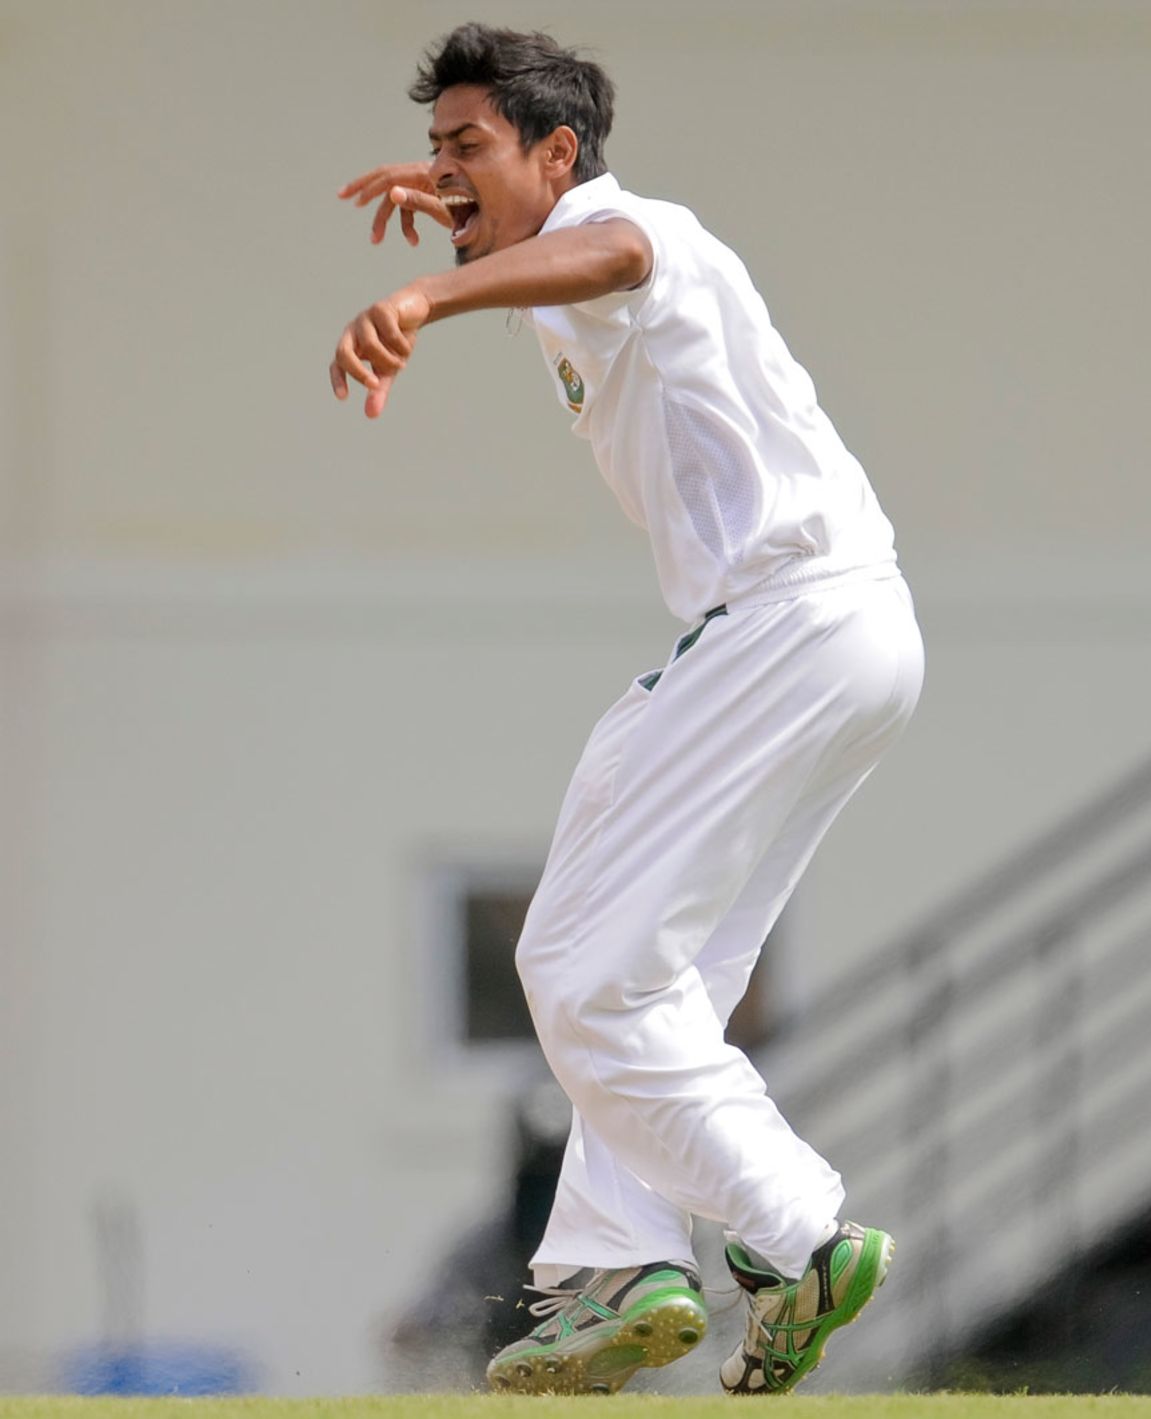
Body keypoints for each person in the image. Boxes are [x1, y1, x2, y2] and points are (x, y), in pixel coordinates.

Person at [330, 23, 924, 1397]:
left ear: (560, 153)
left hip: (786, 621)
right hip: (849, 631)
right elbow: (565, 259)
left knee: (570, 965)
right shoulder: (559, 244)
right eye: (434, 154)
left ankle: (798, 1232)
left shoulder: (629, 227)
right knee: (657, 986)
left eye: (468, 148)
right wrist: (472, 206)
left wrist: (428, 294)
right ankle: (620, 1263)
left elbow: (614, 253)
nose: (443, 173)